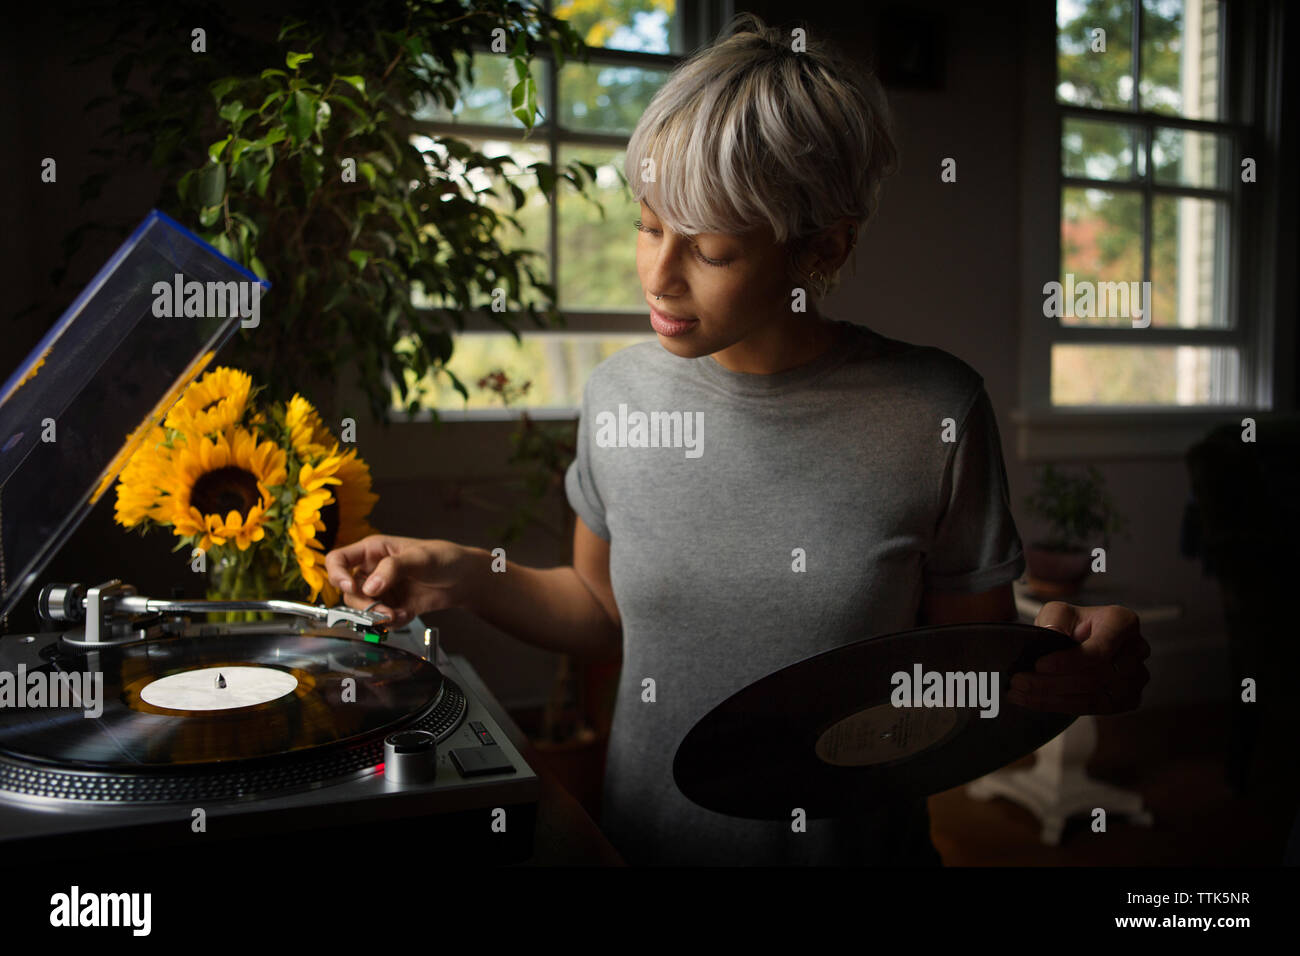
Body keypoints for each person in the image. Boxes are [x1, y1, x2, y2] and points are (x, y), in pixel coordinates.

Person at [324, 13, 1150, 866]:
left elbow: (969, 697)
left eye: (709, 248)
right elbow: (608, 614)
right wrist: (462, 573)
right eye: (648, 225)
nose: (657, 273)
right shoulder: (619, 396)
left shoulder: (934, 415)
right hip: (645, 849)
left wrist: (1067, 677)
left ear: (822, 247)